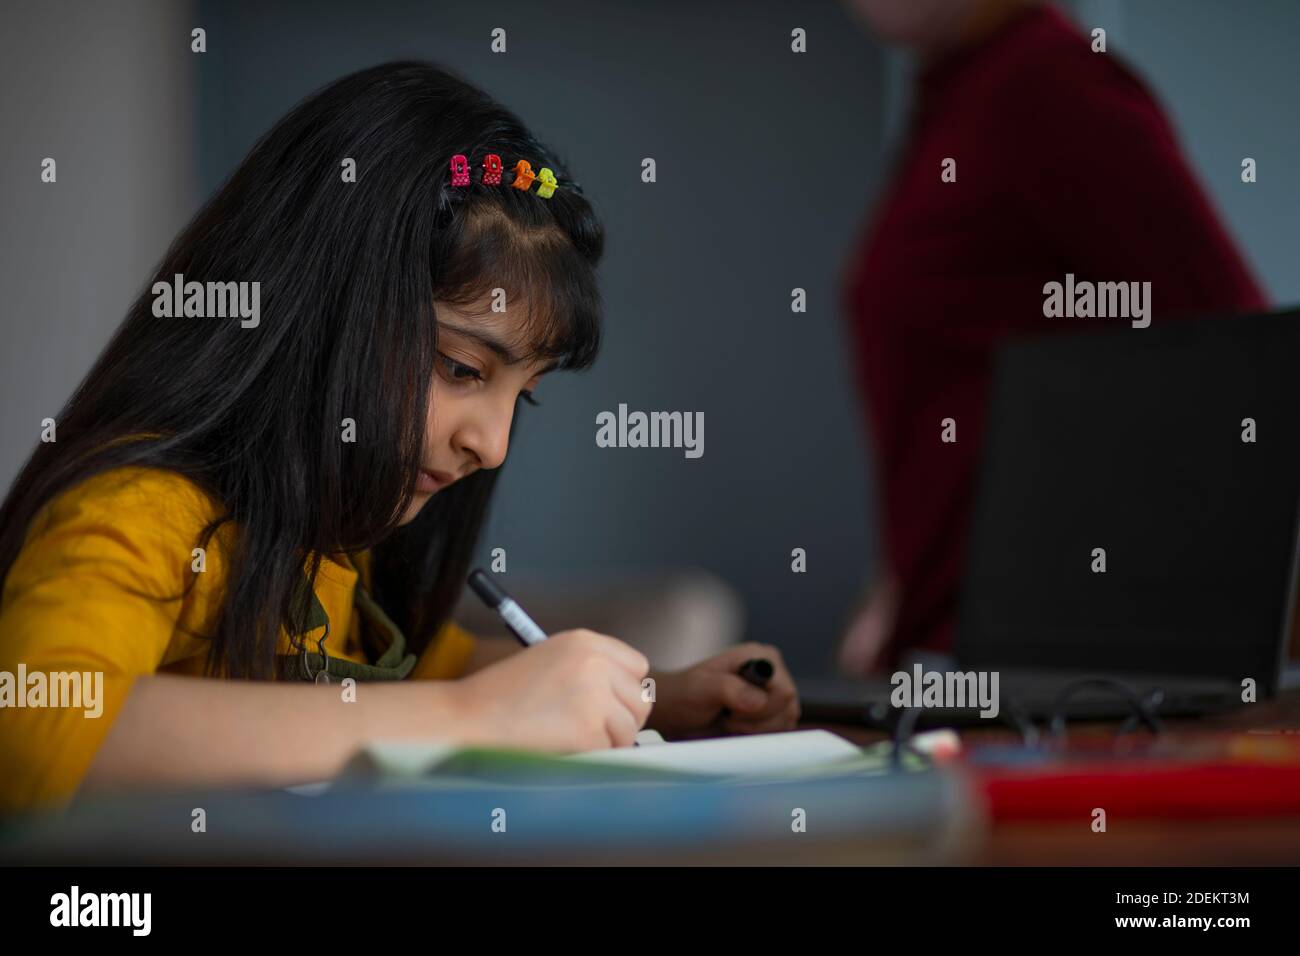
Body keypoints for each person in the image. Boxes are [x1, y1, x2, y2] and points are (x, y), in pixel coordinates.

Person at [0, 61, 799, 815]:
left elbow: (426, 663)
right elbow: (35, 734)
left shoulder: (331, 542)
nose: (493, 446)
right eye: (460, 368)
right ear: (317, 310)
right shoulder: (150, 512)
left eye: (524, 399)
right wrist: (468, 717)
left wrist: (652, 693)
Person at [837, 0, 1268, 675]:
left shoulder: (1051, 89)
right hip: (947, 641)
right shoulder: (953, 99)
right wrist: (898, 585)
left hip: (1049, 665)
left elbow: (1238, 353)